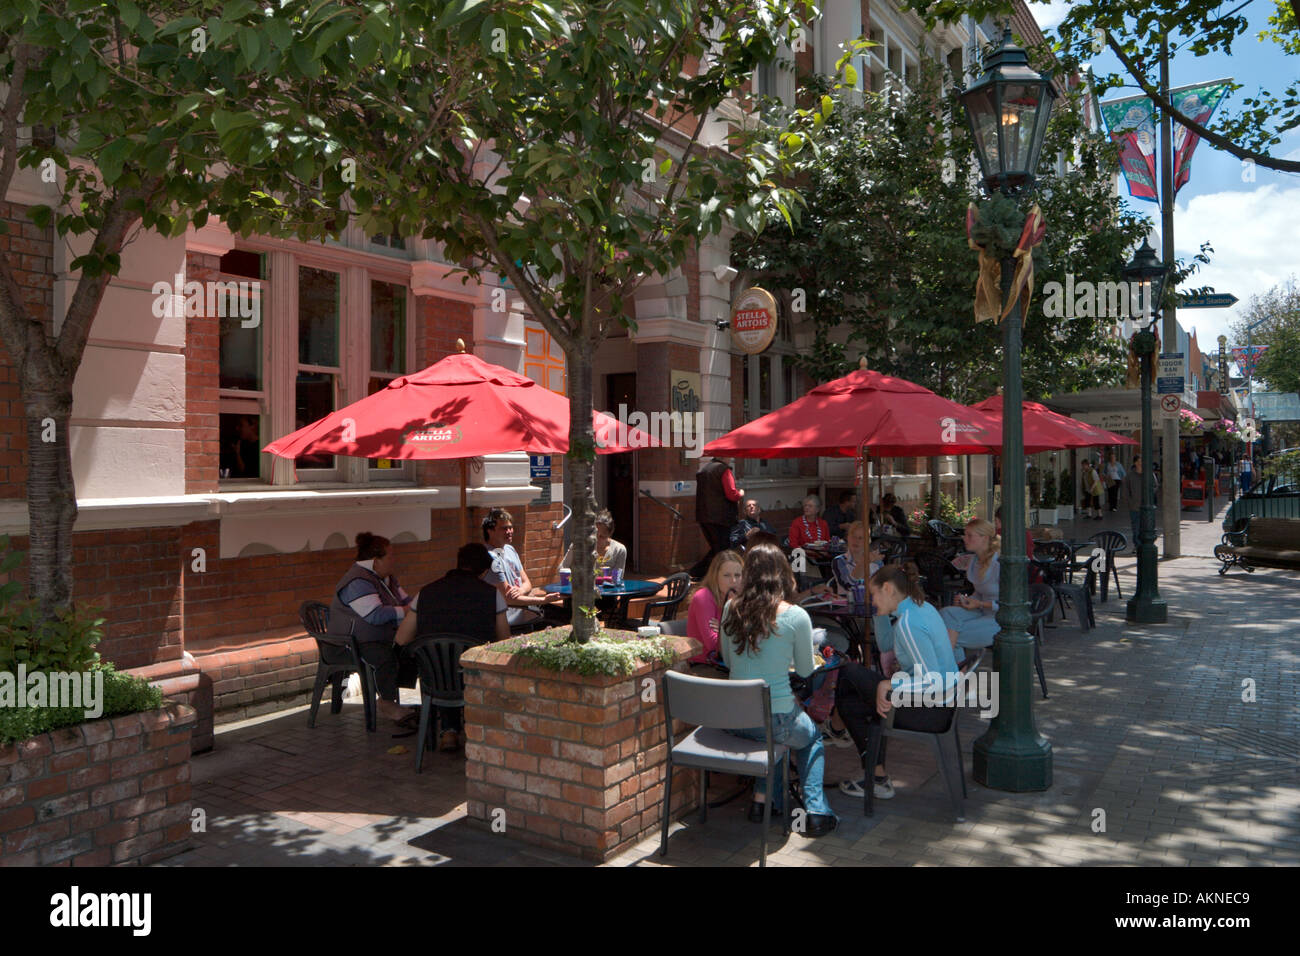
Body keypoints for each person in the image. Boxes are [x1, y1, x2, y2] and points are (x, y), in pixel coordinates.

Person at [720, 542, 837, 836]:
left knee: (774, 735)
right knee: (810, 739)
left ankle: (764, 801)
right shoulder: (796, 616)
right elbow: (807, 670)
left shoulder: (730, 608)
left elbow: (727, 658)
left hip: (736, 719)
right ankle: (817, 811)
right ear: (783, 574)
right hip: (777, 719)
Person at [834, 564, 962, 800]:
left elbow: (931, 681)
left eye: (874, 595)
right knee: (856, 698)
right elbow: (893, 649)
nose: (872, 601)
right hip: (942, 703)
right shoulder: (921, 608)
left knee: (850, 676)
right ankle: (876, 776)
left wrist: (889, 685)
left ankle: (872, 772)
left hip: (930, 710)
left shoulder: (908, 623)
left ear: (888, 588)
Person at [395, 543, 508, 751]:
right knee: (464, 665)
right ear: (483, 571)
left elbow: (401, 639)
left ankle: (449, 731)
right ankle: (483, 731)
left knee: (444, 665)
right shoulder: (492, 595)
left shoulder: (426, 593)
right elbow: (504, 642)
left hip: (435, 680)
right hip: (475, 677)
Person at [326, 532, 416, 727]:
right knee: (385, 656)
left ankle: (395, 697)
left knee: (411, 649)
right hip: (348, 644)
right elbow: (375, 615)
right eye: (390, 556)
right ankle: (386, 702)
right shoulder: (357, 582)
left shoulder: (387, 578)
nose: (394, 561)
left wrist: (415, 606)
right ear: (376, 561)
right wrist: (409, 611)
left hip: (375, 638)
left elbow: (405, 601)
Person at [482, 508, 563, 629]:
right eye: (504, 528)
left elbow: (527, 583)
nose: (509, 531)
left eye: (510, 527)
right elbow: (508, 599)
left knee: (562, 614)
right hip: (510, 620)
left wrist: (520, 591)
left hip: (525, 610)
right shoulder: (490, 558)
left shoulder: (509, 549)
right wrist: (544, 600)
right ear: (490, 531)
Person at [939, 518, 1000, 657]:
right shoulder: (974, 561)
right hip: (982, 612)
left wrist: (979, 603)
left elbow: (1012, 605)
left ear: (984, 538)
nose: (964, 539)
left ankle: (953, 673)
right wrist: (966, 601)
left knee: (949, 636)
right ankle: (954, 672)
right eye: (965, 534)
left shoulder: (999, 564)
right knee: (946, 613)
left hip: (1000, 619)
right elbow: (980, 593)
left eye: (969, 535)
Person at [686, 550, 743, 665]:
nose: (733, 581)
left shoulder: (738, 597)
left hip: (731, 662)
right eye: (727, 575)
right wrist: (728, 631)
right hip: (704, 666)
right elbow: (712, 644)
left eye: (737, 575)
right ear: (715, 576)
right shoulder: (703, 597)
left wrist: (724, 630)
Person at [691, 456, 744, 579]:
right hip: (721, 517)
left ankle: (699, 572)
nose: (730, 458)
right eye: (729, 456)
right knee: (723, 548)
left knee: (717, 547)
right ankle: (700, 571)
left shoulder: (704, 470)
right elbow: (732, 494)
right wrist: (740, 493)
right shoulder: (724, 470)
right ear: (724, 457)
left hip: (704, 515)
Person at [560, 509, 627, 575]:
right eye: (594, 534)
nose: (596, 539)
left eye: (602, 537)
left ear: (609, 534)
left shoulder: (619, 550)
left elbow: (618, 577)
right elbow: (562, 568)